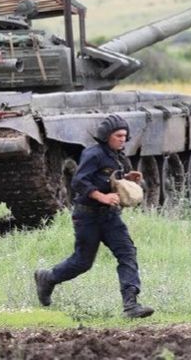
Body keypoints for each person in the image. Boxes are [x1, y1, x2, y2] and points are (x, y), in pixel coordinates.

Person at [33, 114, 154, 319]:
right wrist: (102, 197)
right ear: (106, 136)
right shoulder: (93, 154)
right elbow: (79, 182)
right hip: (87, 216)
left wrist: (127, 179)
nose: (123, 139)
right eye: (118, 135)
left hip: (110, 217)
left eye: (125, 135)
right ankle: (47, 278)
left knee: (127, 254)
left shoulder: (119, 157)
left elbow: (111, 179)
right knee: (82, 262)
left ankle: (131, 305)